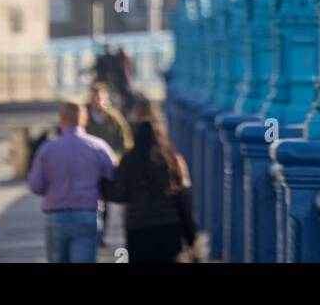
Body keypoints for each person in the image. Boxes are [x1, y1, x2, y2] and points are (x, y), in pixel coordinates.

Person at [27, 101, 115, 264]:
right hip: (87, 213)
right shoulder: (99, 146)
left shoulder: (47, 149)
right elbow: (113, 178)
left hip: (56, 215)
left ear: (61, 120)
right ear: (85, 120)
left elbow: (35, 185)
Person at [108, 109, 196, 264]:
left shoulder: (129, 161)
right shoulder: (171, 159)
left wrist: (102, 184)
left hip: (138, 228)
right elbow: (183, 199)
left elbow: (118, 194)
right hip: (169, 228)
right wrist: (191, 235)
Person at [85, 81, 132, 247]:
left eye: (101, 97)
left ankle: (100, 234)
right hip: (88, 167)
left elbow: (125, 141)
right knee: (90, 200)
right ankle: (92, 232)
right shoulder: (84, 118)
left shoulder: (114, 118)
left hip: (108, 167)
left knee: (105, 201)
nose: (98, 101)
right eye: (95, 97)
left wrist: (117, 157)